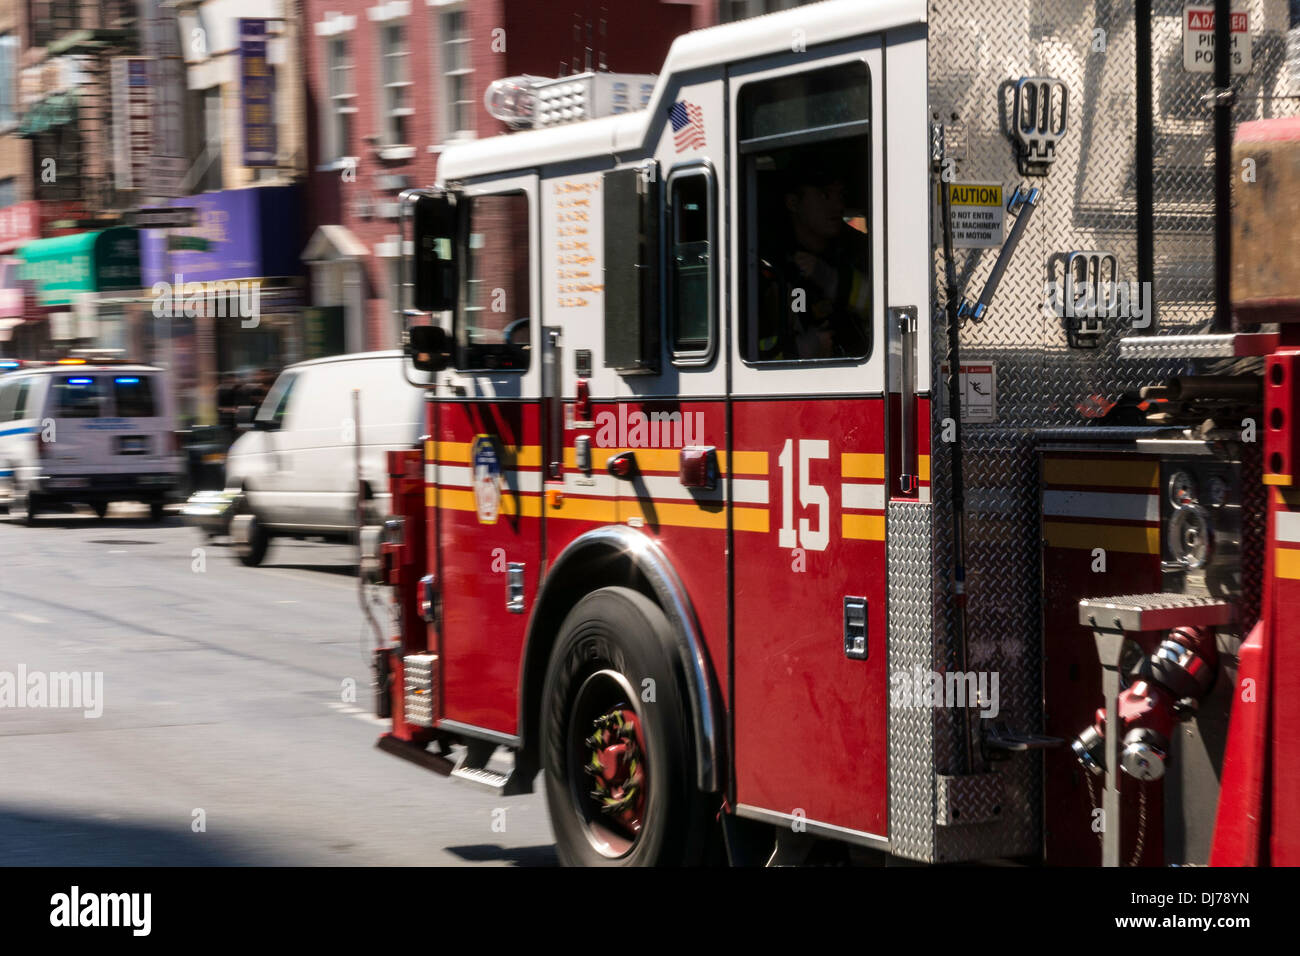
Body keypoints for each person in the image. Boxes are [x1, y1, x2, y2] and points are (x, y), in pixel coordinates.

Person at [756, 163, 871, 361]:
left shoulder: (861, 250)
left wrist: (833, 280)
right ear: (793, 203)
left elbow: (889, 307)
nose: (838, 206)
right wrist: (800, 348)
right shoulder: (764, 267)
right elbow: (745, 356)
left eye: (841, 195)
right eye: (825, 195)